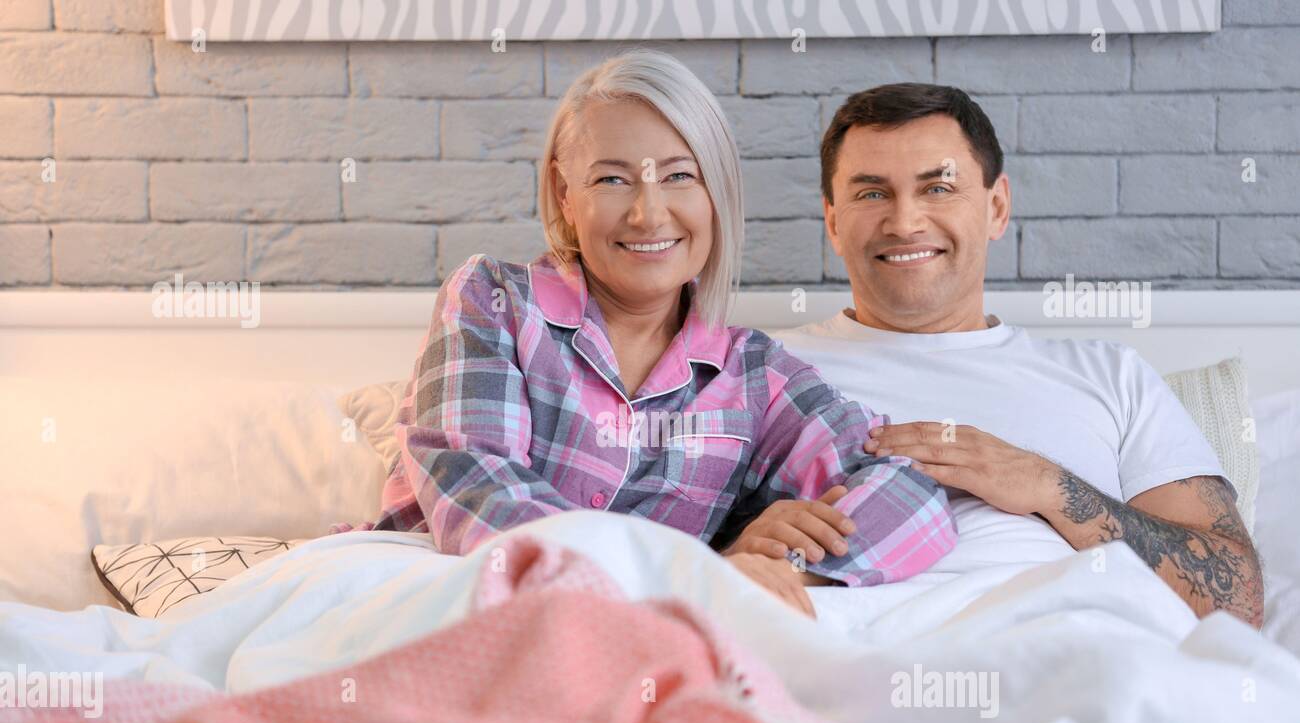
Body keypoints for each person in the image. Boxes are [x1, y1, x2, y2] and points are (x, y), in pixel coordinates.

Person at [338, 52, 956, 617]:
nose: (649, 213)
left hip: (629, 652)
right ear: (564, 193)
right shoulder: (493, 303)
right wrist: (689, 576)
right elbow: (481, 495)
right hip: (437, 609)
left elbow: (911, 497)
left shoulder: (756, 378)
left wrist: (770, 567)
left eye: (680, 176)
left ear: (716, 194)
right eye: (612, 179)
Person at [725, 82, 1263, 628]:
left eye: (938, 188)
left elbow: (1234, 598)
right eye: (871, 193)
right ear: (834, 222)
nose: (905, 221)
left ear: (997, 207)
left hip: (1071, 655)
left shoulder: (1110, 375)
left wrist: (1053, 489)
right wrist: (734, 556)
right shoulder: (753, 369)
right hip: (832, 664)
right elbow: (650, 563)